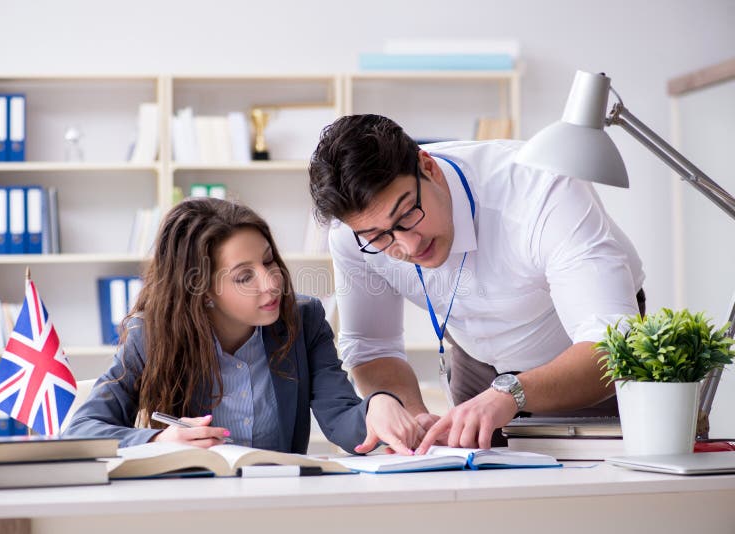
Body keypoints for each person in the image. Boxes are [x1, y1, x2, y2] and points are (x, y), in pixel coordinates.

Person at [308, 114, 646, 451]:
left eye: (408, 214)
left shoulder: (541, 189)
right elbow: (372, 346)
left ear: (429, 167)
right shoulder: (353, 234)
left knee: (598, 476)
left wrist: (512, 392)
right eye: (380, 236)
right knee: (469, 476)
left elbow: (612, 343)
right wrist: (413, 419)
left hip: (581, 362)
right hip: (476, 361)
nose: (408, 246)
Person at [66, 197, 418, 455]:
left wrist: (377, 406)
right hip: (190, 505)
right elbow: (82, 430)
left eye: (268, 261)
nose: (271, 282)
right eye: (244, 276)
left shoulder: (304, 321)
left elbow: (341, 419)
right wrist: (159, 440)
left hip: (278, 504)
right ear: (203, 290)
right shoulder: (153, 335)